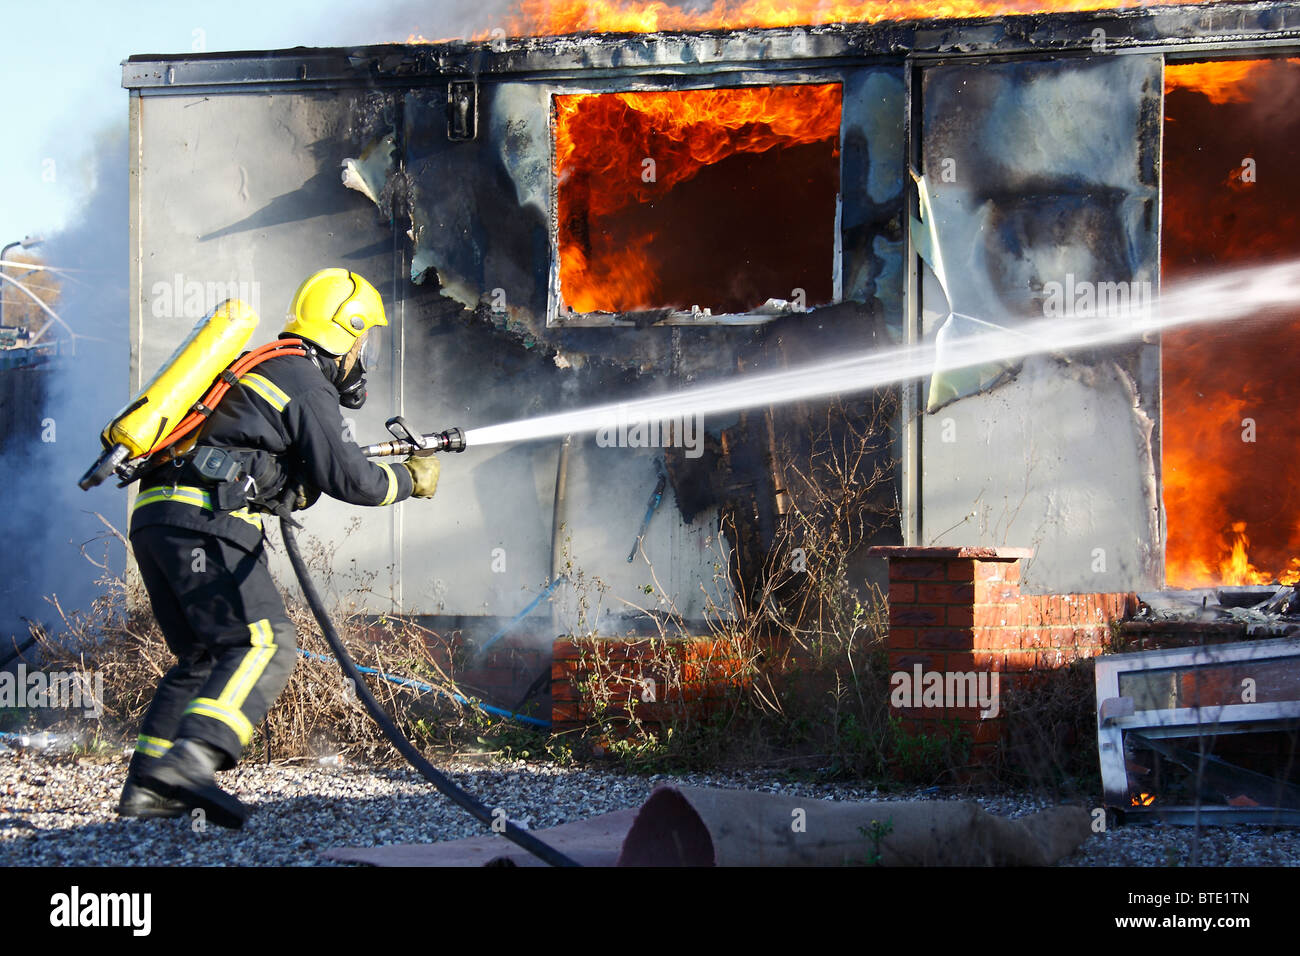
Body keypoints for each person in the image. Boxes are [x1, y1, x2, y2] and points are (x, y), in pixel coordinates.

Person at [118, 268, 440, 828]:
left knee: (204, 654)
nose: (365, 356)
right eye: (365, 341)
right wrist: (413, 478)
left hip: (157, 518)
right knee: (263, 641)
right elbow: (355, 480)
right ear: (347, 331)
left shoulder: (260, 368)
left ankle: (150, 788)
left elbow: (271, 465)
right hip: (206, 519)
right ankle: (192, 764)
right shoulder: (302, 377)